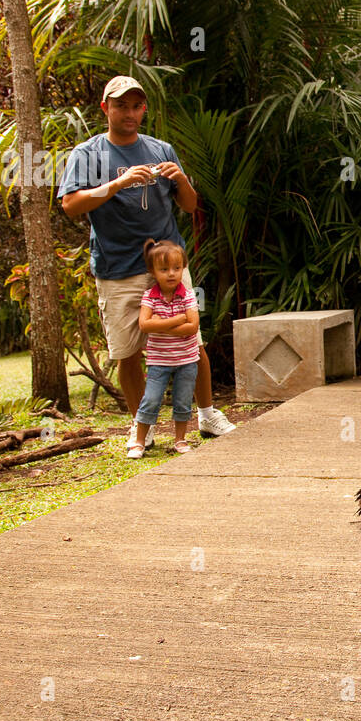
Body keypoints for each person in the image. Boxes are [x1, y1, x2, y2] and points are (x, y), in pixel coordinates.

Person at [58, 75, 235, 449]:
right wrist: (116, 185)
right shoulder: (88, 154)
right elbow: (71, 205)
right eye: (121, 105)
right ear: (105, 108)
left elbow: (189, 205)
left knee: (193, 338)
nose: (129, 112)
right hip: (117, 266)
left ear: (144, 109)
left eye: (136, 105)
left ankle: (207, 414)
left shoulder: (161, 149)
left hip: (169, 264)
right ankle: (145, 425)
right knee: (128, 351)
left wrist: (182, 180)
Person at [129, 239, 200, 457]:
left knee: (183, 400)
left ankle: (180, 439)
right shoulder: (150, 296)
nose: (171, 274)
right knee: (150, 399)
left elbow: (193, 326)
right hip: (159, 361)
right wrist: (177, 320)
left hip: (186, 360)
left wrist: (161, 325)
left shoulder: (188, 294)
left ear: (183, 268)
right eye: (164, 269)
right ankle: (139, 442)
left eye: (176, 268)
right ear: (152, 271)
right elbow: (144, 325)